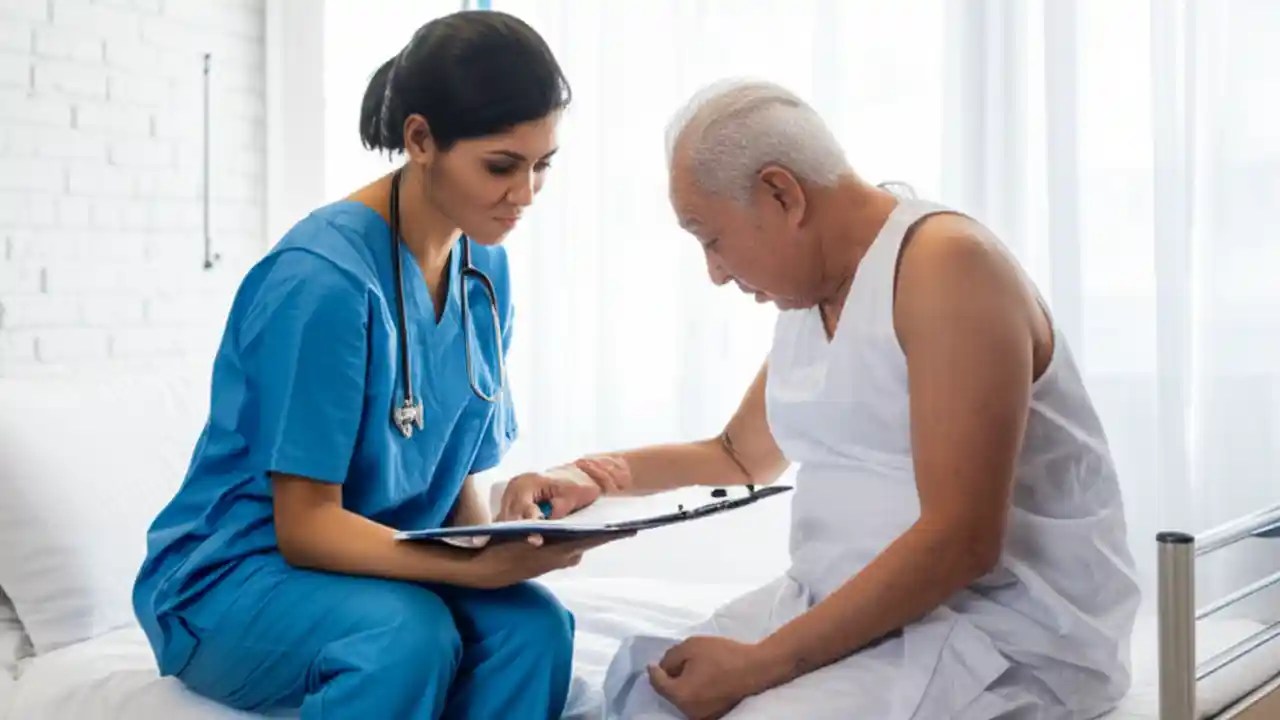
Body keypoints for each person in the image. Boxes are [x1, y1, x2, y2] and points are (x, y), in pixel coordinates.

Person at [499, 80, 1141, 719]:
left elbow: (962, 541)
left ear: (783, 194)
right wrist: (587, 476)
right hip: (847, 608)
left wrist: (758, 665)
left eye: (711, 238)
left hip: (997, 631)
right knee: (645, 694)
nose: (715, 272)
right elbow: (740, 454)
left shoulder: (948, 267)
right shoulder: (817, 290)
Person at [132, 11, 622, 719]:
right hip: (236, 578)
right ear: (420, 139)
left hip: (381, 568)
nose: (526, 195)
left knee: (534, 628)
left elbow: (452, 475)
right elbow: (305, 527)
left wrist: (497, 539)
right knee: (406, 637)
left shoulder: (485, 269)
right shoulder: (321, 281)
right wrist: (472, 568)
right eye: (501, 166)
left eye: (542, 165)